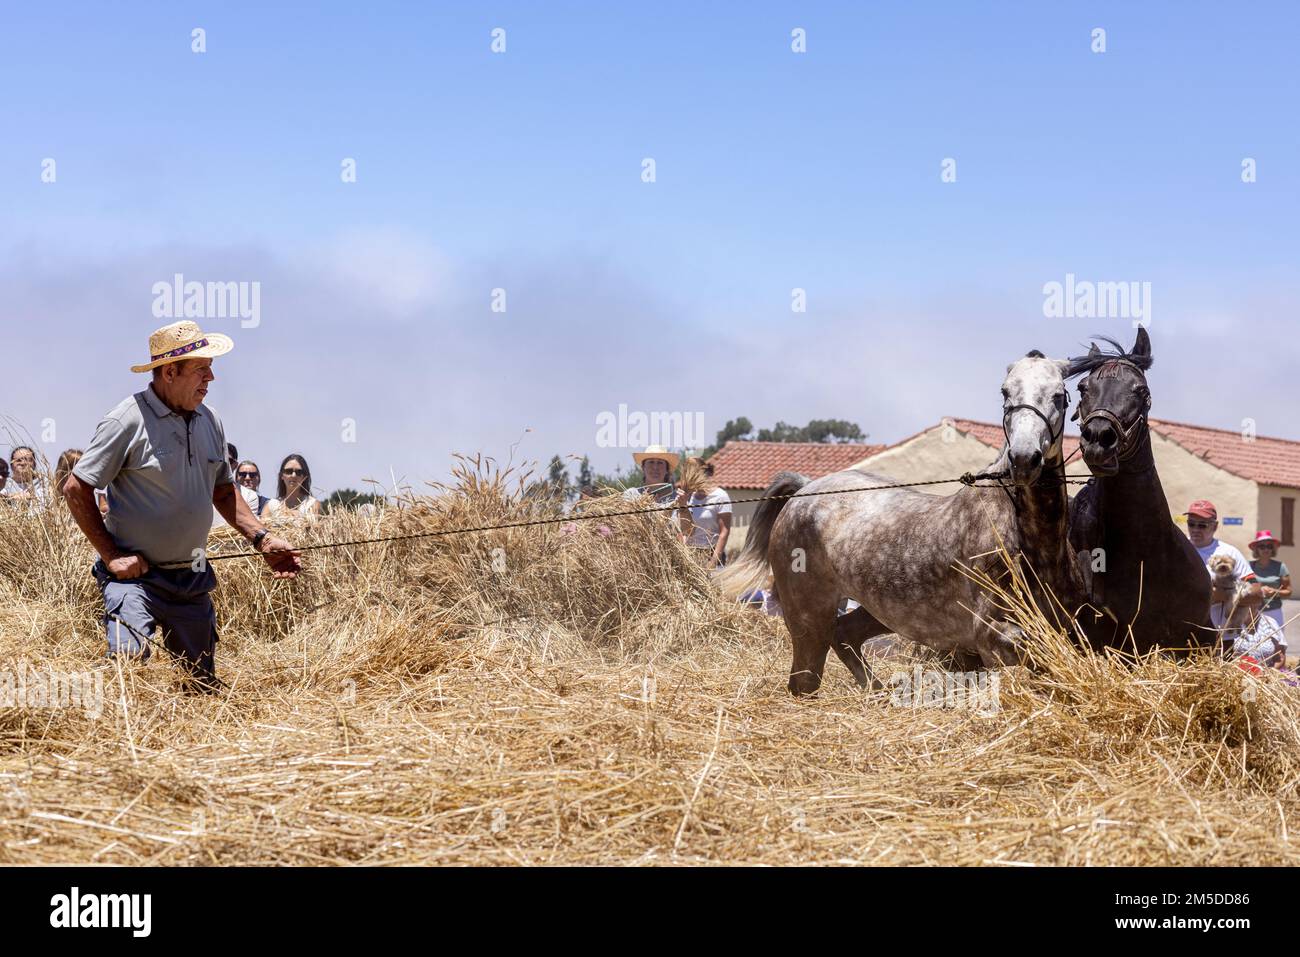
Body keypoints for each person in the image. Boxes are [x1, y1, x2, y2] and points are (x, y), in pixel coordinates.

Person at [62, 320, 301, 692]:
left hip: (191, 577)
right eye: (201, 369)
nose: (211, 378)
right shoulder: (126, 420)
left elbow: (223, 491)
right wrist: (111, 557)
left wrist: (262, 539)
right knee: (128, 672)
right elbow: (76, 487)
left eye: (210, 367)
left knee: (200, 685)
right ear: (170, 372)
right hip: (134, 578)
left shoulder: (211, 420)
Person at [1185, 500, 1263, 652]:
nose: (1195, 529)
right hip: (1183, 635)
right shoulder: (1179, 549)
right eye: (1191, 523)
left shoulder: (1229, 552)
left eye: (1202, 525)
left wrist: (1225, 596)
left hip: (1219, 638)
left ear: (1214, 526)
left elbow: (1257, 594)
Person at [676, 456, 732, 568]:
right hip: (691, 556)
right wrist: (683, 506)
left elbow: (724, 533)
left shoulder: (720, 496)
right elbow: (687, 531)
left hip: (712, 555)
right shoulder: (687, 497)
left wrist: (713, 562)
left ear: (703, 473)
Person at [1248, 530, 1291, 667]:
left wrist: (1275, 592)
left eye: (1269, 546)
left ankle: (1277, 673)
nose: (1266, 549)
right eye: (1262, 546)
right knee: (1253, 642)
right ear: (1256, 549)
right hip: (1254, 611)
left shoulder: (1280, 566)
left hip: (1274, 610)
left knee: (1278, 644)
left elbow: (1289, 591)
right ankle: (1255, 670)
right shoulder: (1249, 566)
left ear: (1273, 549)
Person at [264, 454, 322, 518]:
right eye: (288, 471)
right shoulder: (272, 505)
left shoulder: (311, 505)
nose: (293, 475)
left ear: (304, 477)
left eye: (299, 472)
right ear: (281, 476)